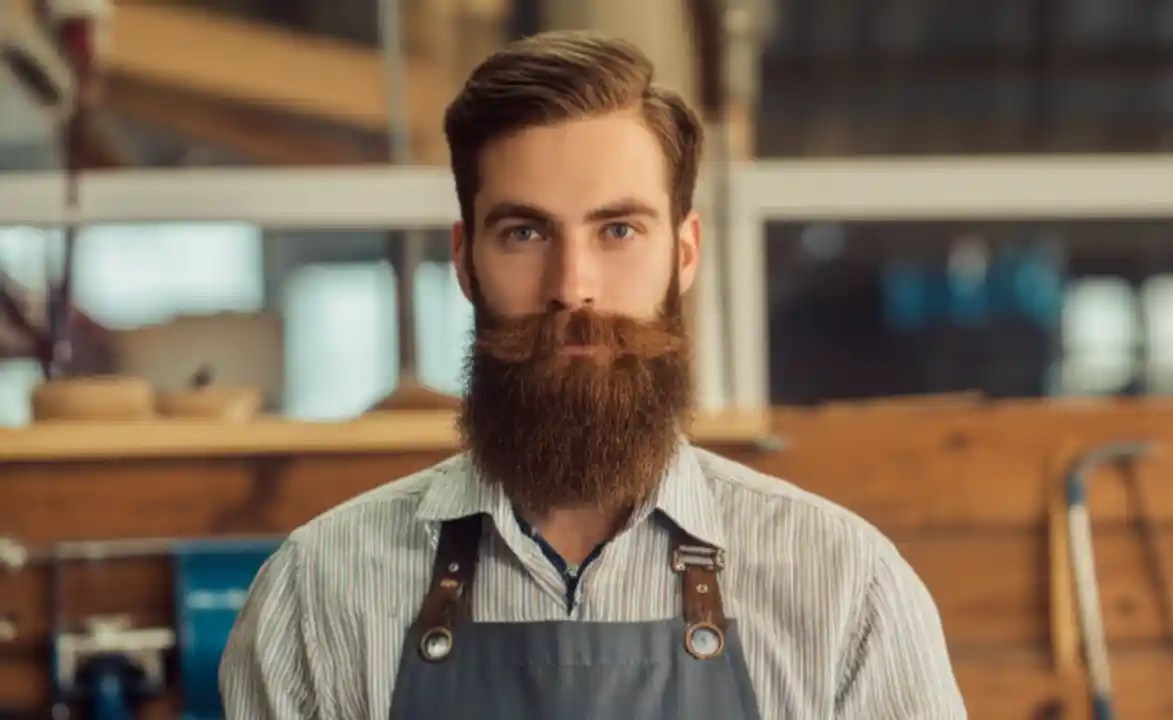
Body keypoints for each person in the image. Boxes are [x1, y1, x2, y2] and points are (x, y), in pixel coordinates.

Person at [219, 30, 965, 719]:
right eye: (525, 232)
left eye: (618, 230)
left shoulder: (844, 591)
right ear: (465, 261)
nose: (572, 285)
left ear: (683, 254)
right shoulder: (318, 596)